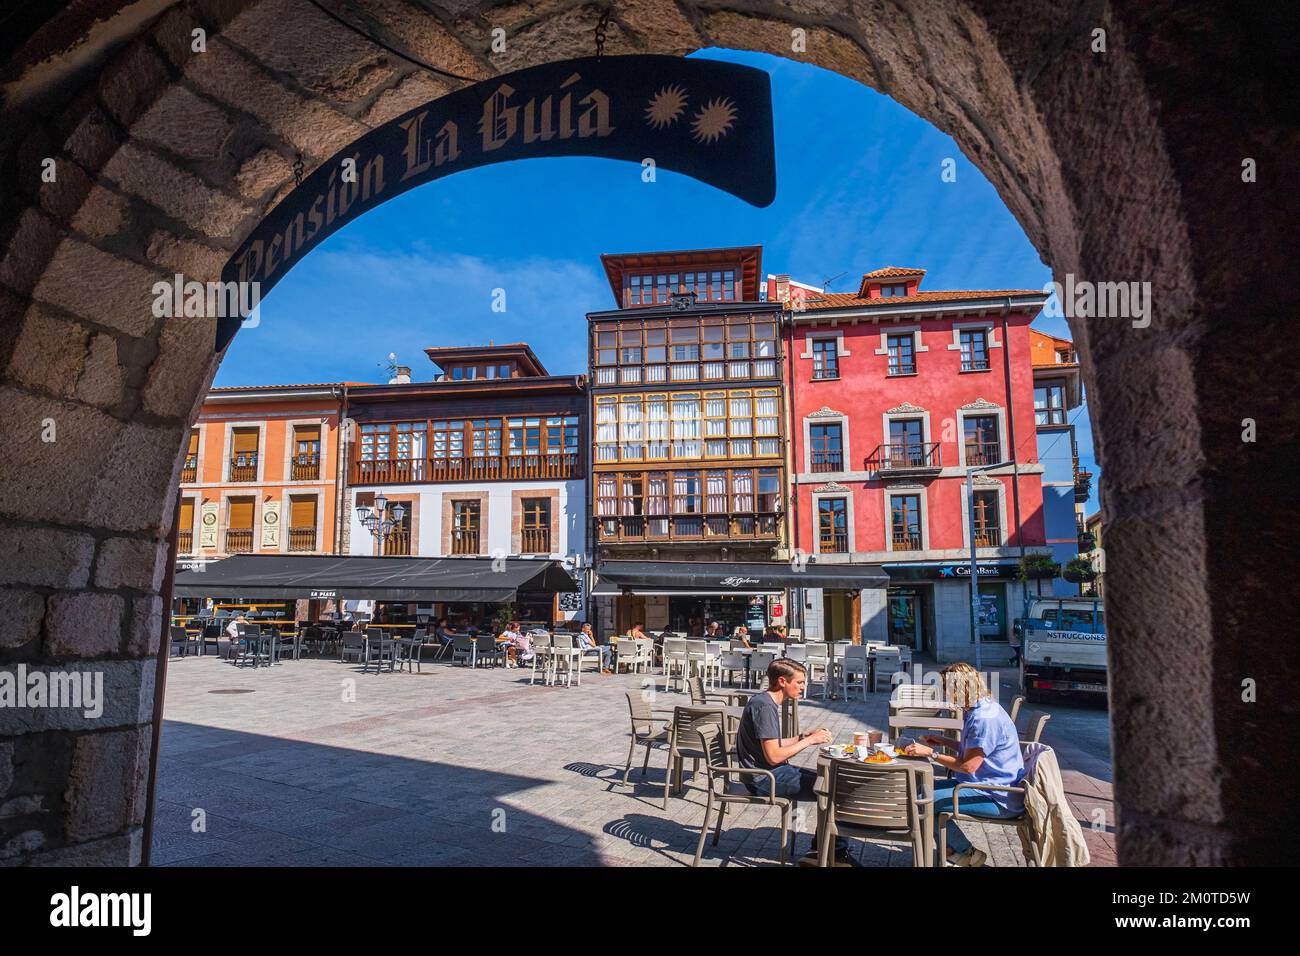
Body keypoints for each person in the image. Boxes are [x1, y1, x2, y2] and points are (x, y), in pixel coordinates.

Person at [902, 662, 1026, 867]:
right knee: (920, 791)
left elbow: (968, 766)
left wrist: (931, 753)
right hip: (991, 787)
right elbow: (976, 749)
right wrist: (943, 740)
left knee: (923, 800)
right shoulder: (981, 708)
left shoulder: (983, 719)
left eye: (946, 689)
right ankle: (954, 851)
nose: (945, 694)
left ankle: (965, 852)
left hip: (996, 796)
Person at [735, 659, 855, 865]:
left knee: (832, 781)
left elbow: (774, 744)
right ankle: (830, 853)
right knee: (836, 789)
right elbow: (773, 756)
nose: (803, 687)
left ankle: (822, 850)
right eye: (799, 682)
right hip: (764, 779)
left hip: (772, 772)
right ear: (782, 681)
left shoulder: (764, 701)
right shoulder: (764, 707)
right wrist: (810, 741)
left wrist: (801, 736)